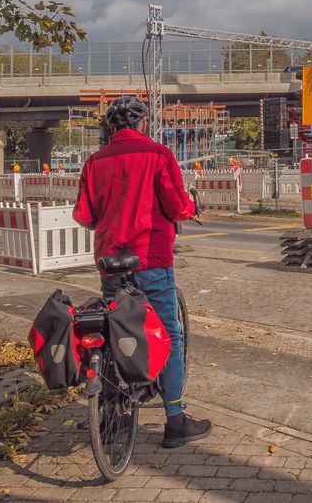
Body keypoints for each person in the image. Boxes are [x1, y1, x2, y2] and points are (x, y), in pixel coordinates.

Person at [72, 95, 211, 449]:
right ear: (143, 124)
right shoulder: (158, 155)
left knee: (114, 332)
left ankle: (113, 414)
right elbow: (177, 205)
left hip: (110, 264)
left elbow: (84, 216)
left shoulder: (95, 161)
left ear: (111, 128)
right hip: (150, 259)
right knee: (169, 336)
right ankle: (176, 420)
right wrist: (193, 205)